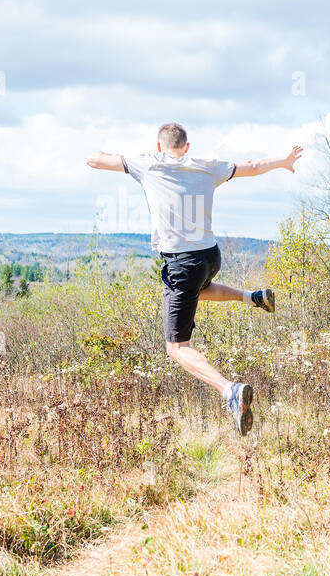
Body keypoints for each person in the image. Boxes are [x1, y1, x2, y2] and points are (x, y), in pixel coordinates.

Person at [86, 122, 302, 435]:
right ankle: (252, 297)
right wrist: (283, 161)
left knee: (177, 348)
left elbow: (94, 160)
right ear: (187, 146)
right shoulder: (207, 167)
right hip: (209, 256)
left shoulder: (149, 164)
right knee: (198, 291)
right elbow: (252, 167)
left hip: (181, 263)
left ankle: (229, 390)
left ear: (160, 147)